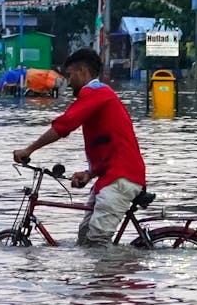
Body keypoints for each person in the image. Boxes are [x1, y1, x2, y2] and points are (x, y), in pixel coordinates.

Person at [12, 48, 146, 246]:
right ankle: (96, 275)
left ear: (82, 71)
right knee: (84, 238)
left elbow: (63, 126)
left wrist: (28, 150)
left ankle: (115, 274)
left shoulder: (95, 92)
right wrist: (90, 173)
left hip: (120, 178)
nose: (68, 81)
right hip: (111, 177)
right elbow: (110, 146)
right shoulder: (99, 96)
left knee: (96, 241)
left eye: (70, 74)